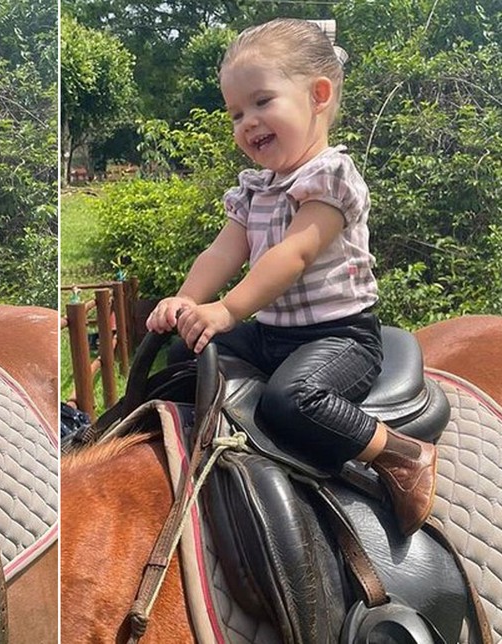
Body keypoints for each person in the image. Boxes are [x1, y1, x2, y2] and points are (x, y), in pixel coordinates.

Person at [145, 19, 436, 536]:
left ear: (317, 96)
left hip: (339, 336)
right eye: (236, 112)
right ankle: (221, 449)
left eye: (261, 102)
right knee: (184, 354)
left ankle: (399, 454)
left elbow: (294, 254)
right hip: (272, 335)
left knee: (293, 399)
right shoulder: (256, 188)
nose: (247, 122)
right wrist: (187, 299)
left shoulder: (330, 176)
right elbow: (223, 250)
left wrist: (227, 309)